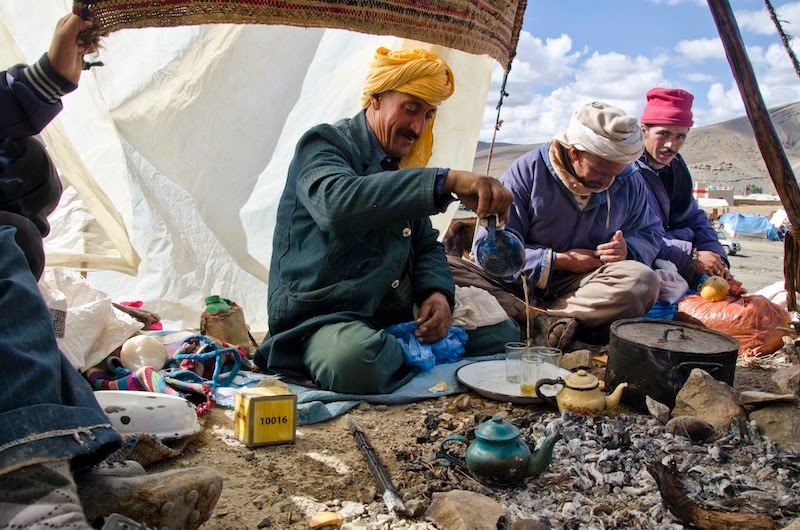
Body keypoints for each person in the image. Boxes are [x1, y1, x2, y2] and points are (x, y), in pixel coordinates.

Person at [0, 14, 221, 530]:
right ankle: (32, 496)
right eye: (409, 106)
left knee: (20, 213)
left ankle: (72, 474)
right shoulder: (329, 150)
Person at [254, 47, 520, 394]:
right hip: (325, 315)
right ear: (376, 99)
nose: (418, 126)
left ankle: (402, 354)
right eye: (410, 109)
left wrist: (438, 294)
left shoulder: (402, 171)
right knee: (357, 360)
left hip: (391, 312)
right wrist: (447, 181)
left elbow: (426, 244)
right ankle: (398, 356)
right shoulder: (324, 144)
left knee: (504, 332)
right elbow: (336, 203)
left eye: (428, 115)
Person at [449, 102, 663, 347]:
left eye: (615, 173)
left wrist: (628, 249)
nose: (608, 181)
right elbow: (489, 250)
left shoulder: (629, 180)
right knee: (445, 265)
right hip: (516, 285)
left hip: (581, 288)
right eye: (600, 171)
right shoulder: (528, 171)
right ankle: (541, 319)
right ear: (575, 153)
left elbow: (650, 232)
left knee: (643, 281)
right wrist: (556, 260)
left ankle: (545, 320)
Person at [636, 87, 732, 287]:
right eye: (663, 134)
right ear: (644, 130)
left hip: (674, 264)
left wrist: (716, 255)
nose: (671, 145)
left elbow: (695, 217)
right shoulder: (625, 171)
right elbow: (632, 237)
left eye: (680, 136)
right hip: (642, 268)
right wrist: (691, 257)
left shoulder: (676, 169)